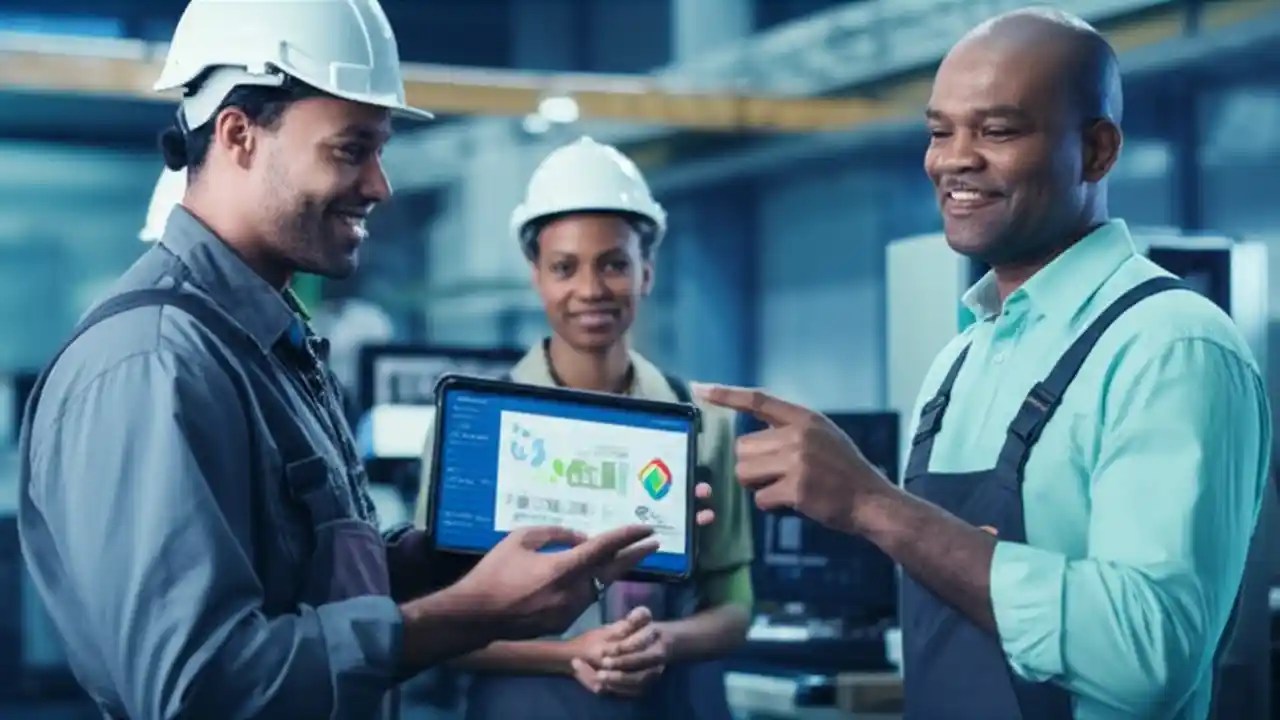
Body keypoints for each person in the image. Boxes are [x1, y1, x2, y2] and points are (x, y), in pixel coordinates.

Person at [16, 3, 687, 718]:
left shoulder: (267, 345)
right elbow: (198, 686)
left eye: (380, 149)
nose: (380, 184)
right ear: (239, 135)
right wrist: (470, 612)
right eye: (349, 150)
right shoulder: (154, 363)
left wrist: (442, 557)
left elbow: (308, 580)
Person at [696, 8, 1270, 720]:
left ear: (1097, 151)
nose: (954, 158)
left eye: (997, 131)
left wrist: (874, 503)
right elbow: (944, 597)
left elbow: (1146, 656)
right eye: (940, 131)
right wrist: (821, 504)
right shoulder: (961, 358)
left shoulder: (1170, 346)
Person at [412, 136, 755, 720]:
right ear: (536, 277)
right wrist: (569, 653)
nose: (591, 290)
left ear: (647, 271)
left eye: (614, 264)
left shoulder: (705, 425)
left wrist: (660, 643)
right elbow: (431, 621)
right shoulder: (474, 428)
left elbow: (735, 606)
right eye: (565, 267)